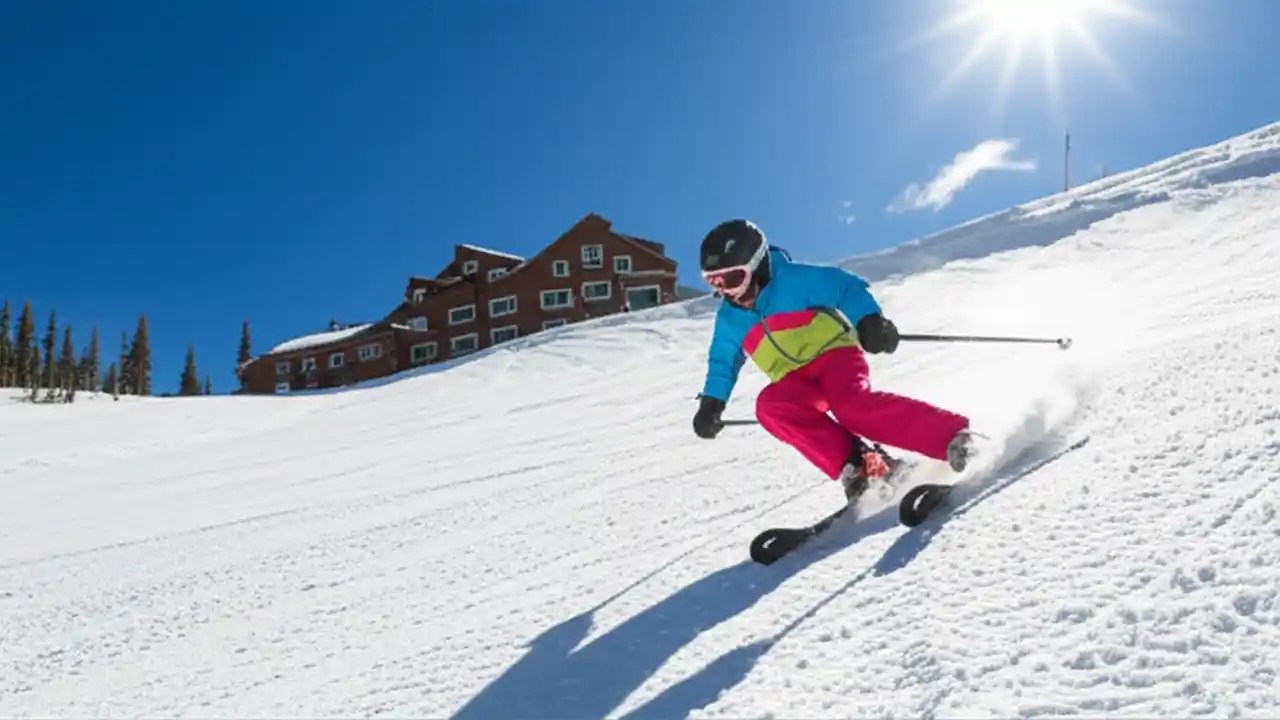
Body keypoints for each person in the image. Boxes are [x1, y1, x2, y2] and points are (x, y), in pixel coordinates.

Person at [692, 218, 975, 503]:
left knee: (852, 409)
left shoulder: (795, 281)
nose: (726, 291)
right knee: (771, 407)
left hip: (834, 358)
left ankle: (953, 437)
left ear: (757, 266)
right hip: (795, 380)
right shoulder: (729, 318)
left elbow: (846, 288)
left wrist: (869, 320)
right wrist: (711, 403)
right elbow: (722, 361)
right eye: (714, 282)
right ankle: (863, 466)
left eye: (732, 279)